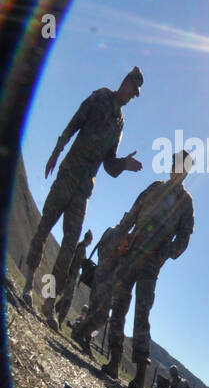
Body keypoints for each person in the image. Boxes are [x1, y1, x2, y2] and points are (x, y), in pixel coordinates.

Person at [22, 67, 145, 319]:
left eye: (135, 96)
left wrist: (123, 164)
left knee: (69, 247)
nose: (131, 98)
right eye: (132, 91)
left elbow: (109, 165)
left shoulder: (120, 125)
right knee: (44, 227)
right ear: (125, 83)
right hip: (68, 174)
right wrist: (57, 150)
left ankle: (48, 303)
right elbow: (75, 122)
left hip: (83, 189)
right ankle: (26, 285)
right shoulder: (100, 97)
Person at [71, 150, 195, 388]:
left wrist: (163, 253)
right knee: (119, 308)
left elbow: (183, 240)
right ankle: (114, 362)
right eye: (173, 163)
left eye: (180, 165)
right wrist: (120, 237)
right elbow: (132, 214)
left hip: (150, 263)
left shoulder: (186, 203)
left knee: (141, 314)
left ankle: (139, 377)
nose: (175, 168)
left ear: (187, 170)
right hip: (130, 255)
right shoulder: (154, 188)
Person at [47, 229, 93, 327]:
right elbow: (77, 262)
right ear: (89, 240)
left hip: (70, 274)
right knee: (67, 299)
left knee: (65, 297)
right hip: (71, 275)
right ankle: (59, 320)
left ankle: (54, 310)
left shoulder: (79, 247)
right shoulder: (81, 248)